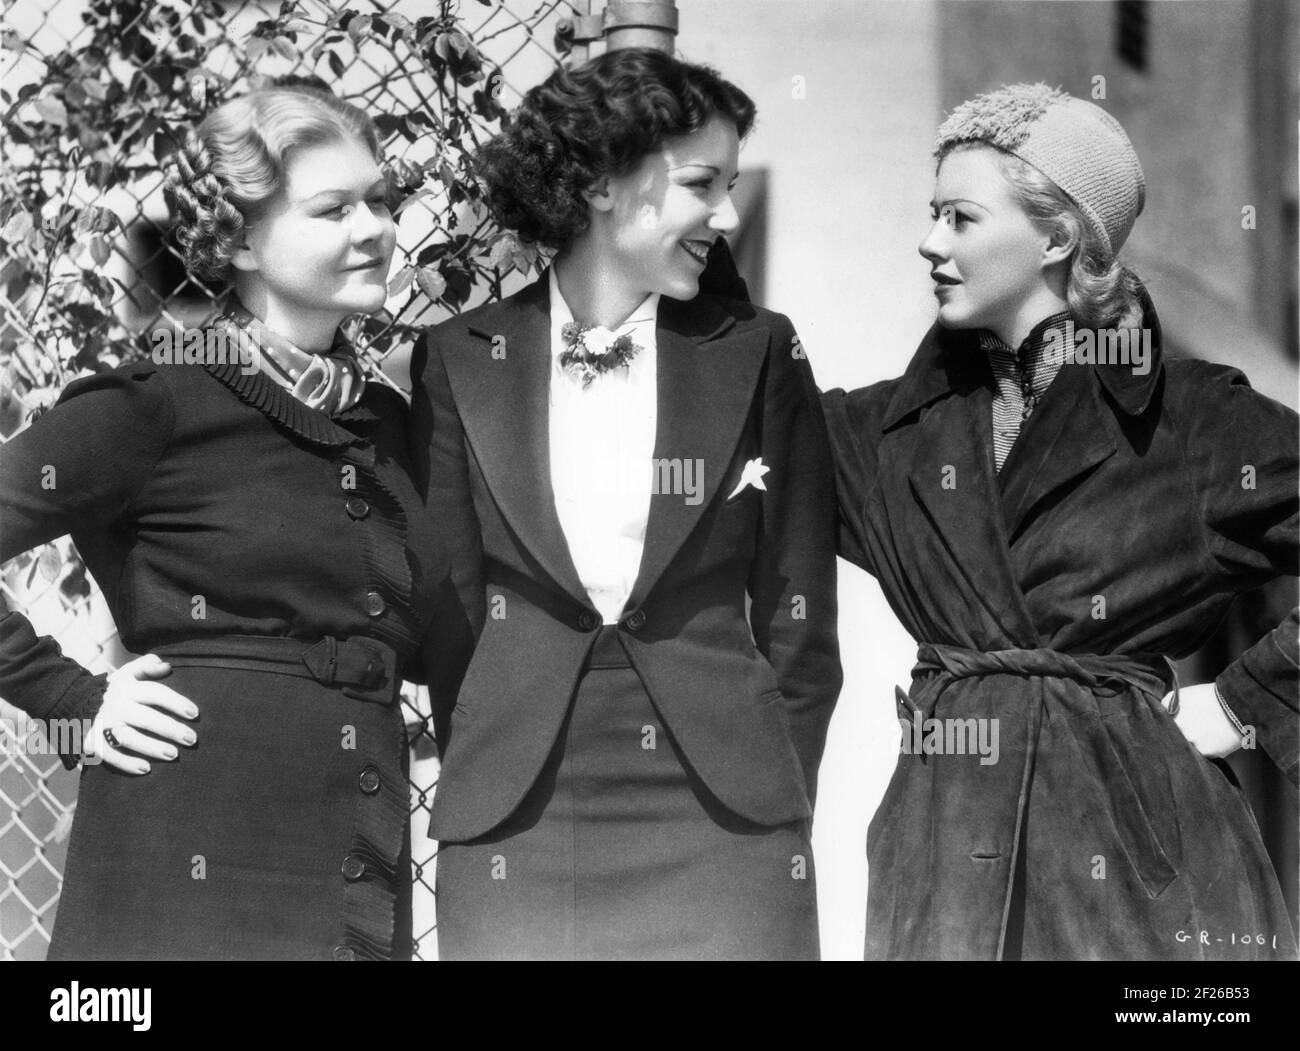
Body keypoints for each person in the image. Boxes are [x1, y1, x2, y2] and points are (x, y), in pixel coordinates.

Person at [823, 83, 1298, 960]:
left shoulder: (1190, 423)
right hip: (941, 865)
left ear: (1056, 235)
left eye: (961, 218)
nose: (929, 242)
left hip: (1138, 869)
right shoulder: (879, 433)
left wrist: (1244, 704)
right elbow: (707, 426)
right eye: (932, 214)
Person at [0, 85, 456, 960]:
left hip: (353, 850)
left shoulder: (395, 425)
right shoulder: (157, 399)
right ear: (240, 239)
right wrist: (69, 704)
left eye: (381, 201)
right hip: (179, 857)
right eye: (333, 208)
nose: (374, 229)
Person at [411, 48, 842, 960]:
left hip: (728, 818)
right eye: (701, 184)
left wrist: (772, 784)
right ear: (603, 184)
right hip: (516, 813)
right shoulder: (455, 357)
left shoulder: (761, 350)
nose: (726, 215)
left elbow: (804, 620)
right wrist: (496, 749)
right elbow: (452, 615)